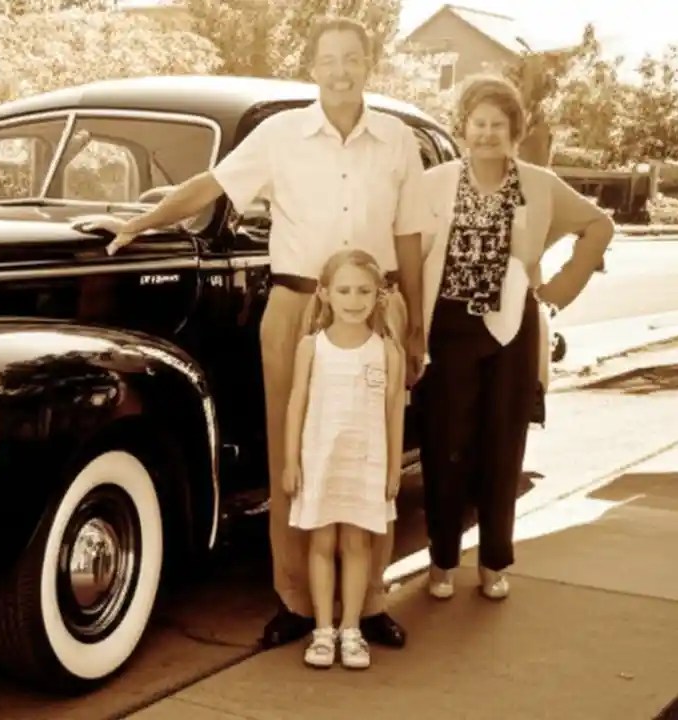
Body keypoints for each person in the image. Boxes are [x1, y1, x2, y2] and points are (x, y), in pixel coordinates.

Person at [76, 16, 425, 650]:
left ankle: (368, 604)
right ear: (312, 66)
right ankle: (296, 599)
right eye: (328, 58)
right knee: (291, 454)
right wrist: (139, 222)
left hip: (378, 313)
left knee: (370, 454)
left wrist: (417, 324)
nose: (341, 70)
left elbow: (409, 236)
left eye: (352, 57)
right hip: (296, 305)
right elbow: (209, 185)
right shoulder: (281, 134)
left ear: (368, 63)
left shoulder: (397, 139)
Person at [414, 74, 614, 600]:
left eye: (497, 126)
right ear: (463, 128)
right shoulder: (434, 183)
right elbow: (407, 248)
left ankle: (495, 562)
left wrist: (561, 286)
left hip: (512, 328)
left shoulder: (538, 182)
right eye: (477, 124)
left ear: (515, 131)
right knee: (445, 446)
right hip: (449, 326)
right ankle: (440, 561)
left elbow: (599, 225)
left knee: (504, 447)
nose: (486, 134)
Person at [285, 249, 405, 669]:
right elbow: (296, 403)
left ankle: (351, 629)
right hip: (320, 459)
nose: (354, 299)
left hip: (365, 462)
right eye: (344, 290)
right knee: (321, 542)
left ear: (378, 295)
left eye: (364, 290)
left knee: (357, 543)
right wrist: (290, 462)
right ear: (324, 294)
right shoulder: (311, 348)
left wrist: (393, 467)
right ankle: (322, 630)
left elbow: (393, 411)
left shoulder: (386, 351)